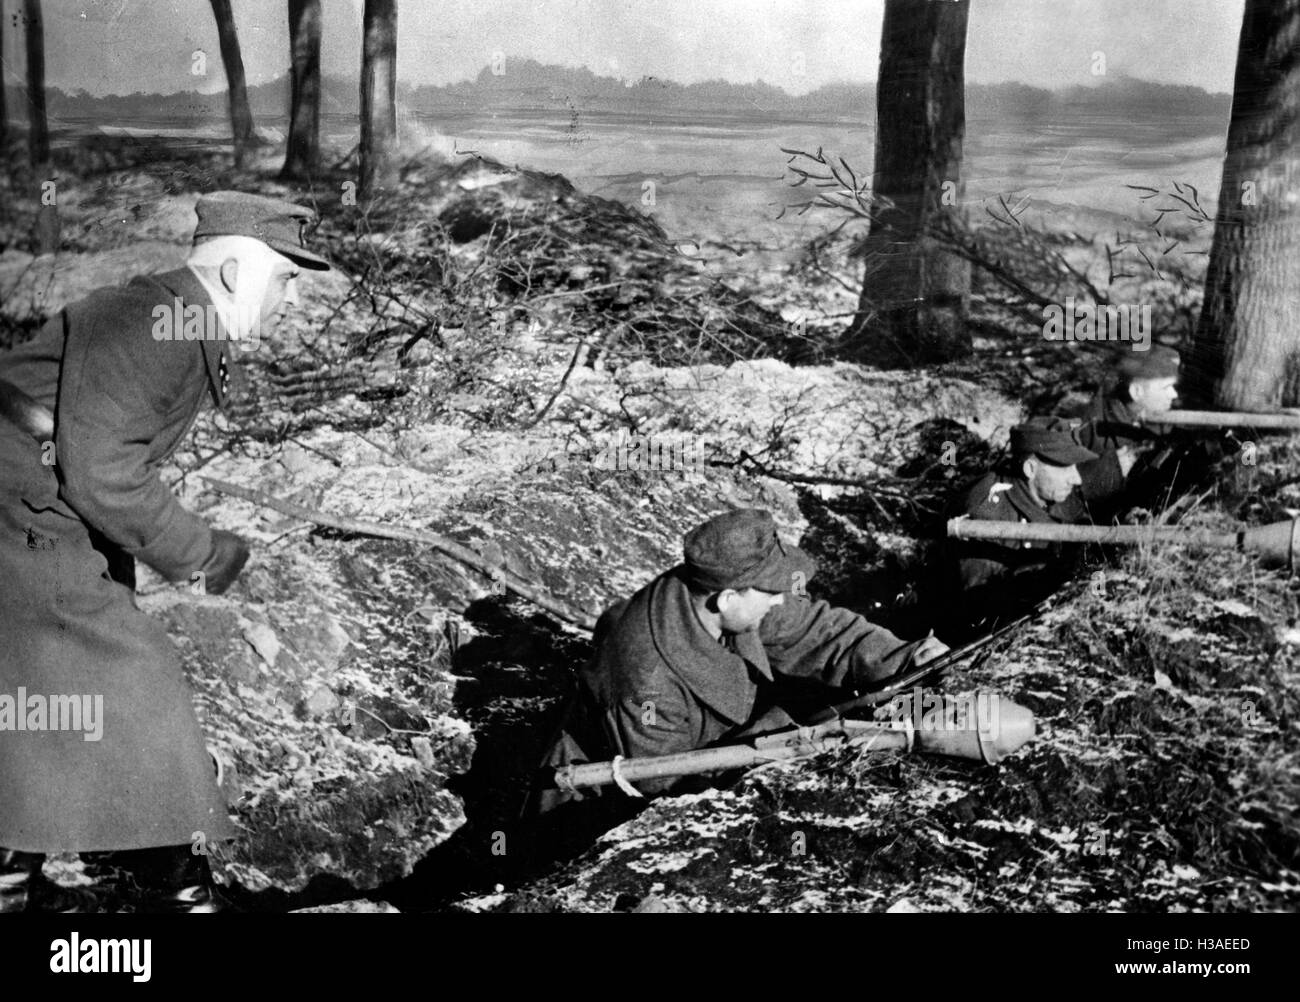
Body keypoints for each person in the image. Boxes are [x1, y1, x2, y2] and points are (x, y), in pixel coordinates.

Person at [0, 191, 331, 913]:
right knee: (134, 674)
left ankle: (14, 873)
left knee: (49, 680)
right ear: (239, 275)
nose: (293, 299)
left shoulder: (172, 314)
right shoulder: (165, 325)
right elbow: (103, 470)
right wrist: (201, 551)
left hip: (35, 497)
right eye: (287, 278)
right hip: (26, 506)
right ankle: (178, 886)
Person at [530, 508, 949, 817]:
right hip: (596, 808)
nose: (783, 598)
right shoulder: (646, 683)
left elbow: (820, 632)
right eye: (772, 591)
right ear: (727, 600)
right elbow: (667, 789)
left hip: (703, 749)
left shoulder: (728, 594)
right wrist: (780, 738)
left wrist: (905, 657)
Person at [949, 417, 1098, 632]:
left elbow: (1082, 533)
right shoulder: (987, 512)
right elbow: (975, 609)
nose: (1076, 479)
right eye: (1065, 467)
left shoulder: (1058, 494)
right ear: (1030, 469)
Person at [1074, 344, 1181, 522]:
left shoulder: (1129, 415)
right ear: (1136, 392)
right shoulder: (1093, 429)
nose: (1174, 394)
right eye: (1166, 387)